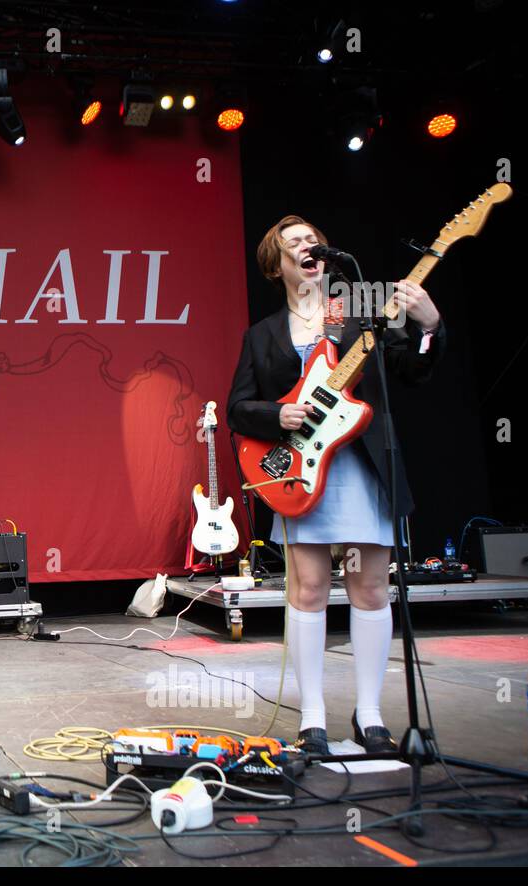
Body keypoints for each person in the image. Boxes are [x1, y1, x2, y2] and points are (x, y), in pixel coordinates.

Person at [226, 215, 444, 755]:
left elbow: (413, 374)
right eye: (291, 243)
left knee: (370, 589)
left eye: (311, 239)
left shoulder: (364, 313)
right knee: (309, 591)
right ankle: (313, 719)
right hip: (302, 469)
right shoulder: (262, 335)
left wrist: (430, 327)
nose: (305, 246)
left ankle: (370, 714)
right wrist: (278, 416)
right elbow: (237, 408)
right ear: (276, 267)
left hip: (361, 468)